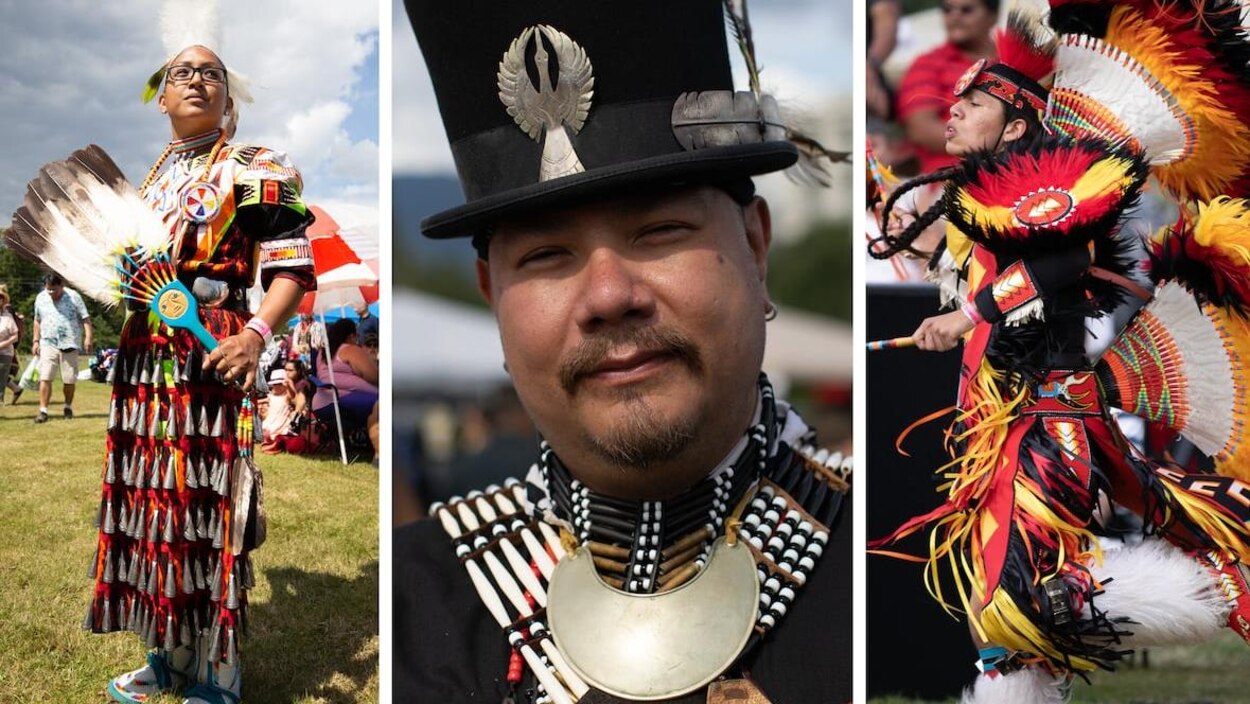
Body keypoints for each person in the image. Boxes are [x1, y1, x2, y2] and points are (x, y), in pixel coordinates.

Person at [395, 1, 851, 702]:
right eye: (548, 254)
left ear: (757, 249)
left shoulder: (904, 558)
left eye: (660, 230)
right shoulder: (410, 607)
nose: (609, 294)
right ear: (493, 298)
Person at [870, 14, 1250, 702]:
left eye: (974, 103)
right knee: (999, 628)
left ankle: (1223, 589)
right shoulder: (989, 199)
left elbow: (1066, 257)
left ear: (1016, 124)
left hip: (1046, 424)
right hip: (997, 430)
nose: (951, 110)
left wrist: (970, 313)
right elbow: (985, 270)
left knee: (1018, 605)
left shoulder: (1047, 190)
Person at [80, 9, 316, 703]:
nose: (195, 81)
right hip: (142, 357)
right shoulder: (146, 184)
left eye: (209, 72)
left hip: (215, 350)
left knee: (207, 505)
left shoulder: (255, 167)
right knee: (152, 502)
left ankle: (218, 671)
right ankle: (163, 656)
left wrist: (253, 335)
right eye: (181, 72)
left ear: (228, 96)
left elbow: (291, 267)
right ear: (161, 94)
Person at [894, 0, 998, 176]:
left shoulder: (1013, 61)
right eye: (947, 9)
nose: (954, 16)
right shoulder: (927, 64)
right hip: (948, 179)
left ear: (992, 16)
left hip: (1016, 174)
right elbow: (921, 130)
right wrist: (992, 144)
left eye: (966, 10)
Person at [31, 272, 92, 423]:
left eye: (54, 289)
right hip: (48, 342)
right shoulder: (41, 298)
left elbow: (85, 319)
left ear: (61, 286)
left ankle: (68, 406)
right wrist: (36, 341)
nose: (51, 292)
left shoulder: (74, 297)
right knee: (45, 377)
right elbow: (37, 320)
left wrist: (88, 338)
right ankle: (43, 411)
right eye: (48, 289)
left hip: (69, 342)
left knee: (69, 380)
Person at [312, 318, 378, 430]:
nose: (357, 339)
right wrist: (371, 361)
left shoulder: (323, 353)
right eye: (356, 336)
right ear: (351, 336)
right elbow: (374, 377)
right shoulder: (350, 350)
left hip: (320, 403)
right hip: (339, 404)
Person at [0, 285, 20, 404]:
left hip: (5, 353)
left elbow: (15, 336)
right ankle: (16, 389)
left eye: (0, 297)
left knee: (1, 377)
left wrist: (3, 344)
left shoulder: (7, 317)